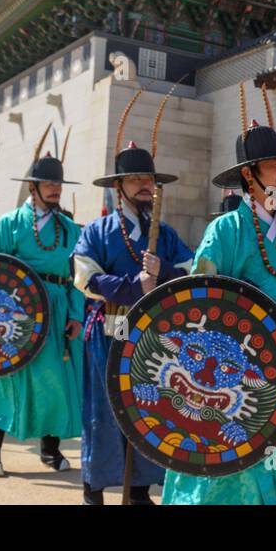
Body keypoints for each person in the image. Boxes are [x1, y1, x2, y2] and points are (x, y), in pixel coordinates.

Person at [161, 104, 276, 505]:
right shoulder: (225, 229)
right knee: (232, 454)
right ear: (248, 174)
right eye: (273, 162)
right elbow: (198, 297)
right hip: (231, 369)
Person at [74, 105, 195, 505]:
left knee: (148, 408)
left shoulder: (165, 232)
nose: (146, 184)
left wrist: (162, 275)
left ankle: (139, 487)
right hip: (109, 328)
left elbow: (190, 269)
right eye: (137, 178)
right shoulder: (98, 230)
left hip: (152, 337)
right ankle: (95, 485)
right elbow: (85, 277)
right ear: (119, 185)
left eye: (150, 179)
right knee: (104, 409)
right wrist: (133, 286)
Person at [0, 140, 84, 478]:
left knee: (54, 378)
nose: (56, 189)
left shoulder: (70, 229)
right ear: (32, 187)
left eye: (59, 184)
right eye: (50, 183)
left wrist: (76, 314)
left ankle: (50, 451)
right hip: (15, 312)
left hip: (56, 309)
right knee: (6, 379)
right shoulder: (9, 224)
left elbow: (77, 278)